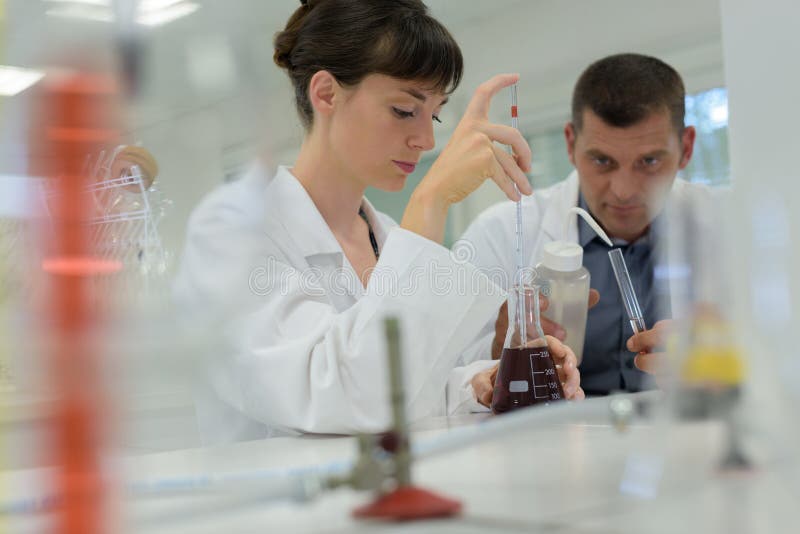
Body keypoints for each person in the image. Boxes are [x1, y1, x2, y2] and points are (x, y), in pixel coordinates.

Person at [173, 0, 583, 444]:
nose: (426, 140)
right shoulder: (230, 234)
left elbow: (406, 387)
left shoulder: (384, 234)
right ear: (326, 93)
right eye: (405, 111)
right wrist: (431, 199)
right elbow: (342, 397)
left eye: (435, 114)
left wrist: (481, 385)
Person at [464, 53, 724, 400]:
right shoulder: (501, 233)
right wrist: (502, 346)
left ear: (687, 147)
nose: (624, 190)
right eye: (602, 160)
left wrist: (728, 366)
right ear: (571, 144)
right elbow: (445, 376)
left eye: (649, 161)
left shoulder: (730, 225)